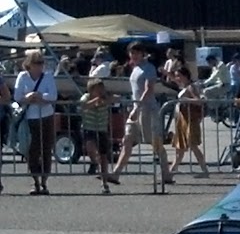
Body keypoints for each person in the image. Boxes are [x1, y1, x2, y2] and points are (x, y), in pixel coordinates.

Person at [109, 41, 174, 186]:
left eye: (137, 53)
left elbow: (148, 89)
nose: (134, 55)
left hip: (147, 109)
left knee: (155, 142)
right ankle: (115, 173)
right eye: (132, 53)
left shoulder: (148, 68)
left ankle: (167, 174)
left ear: (143, 53)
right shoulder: (135, 68)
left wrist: (137, 108)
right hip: (135, 108)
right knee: (127, 140)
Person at [14, 49, 57, 195]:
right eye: (36, 63)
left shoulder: (48, 76)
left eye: (41, 63)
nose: (39, 66)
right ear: (29, 64)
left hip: (46, 116)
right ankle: (35, 181)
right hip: (30, 118)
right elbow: (17, 96)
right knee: (31, 150)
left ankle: (44, 181)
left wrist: (40, 96)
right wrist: (29, 97)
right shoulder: (22, 76)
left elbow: (53, 95)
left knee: (46, 149)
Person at [168, 65, 209, 179]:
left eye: (179, 76)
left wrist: (186, 100)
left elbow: (199, 101)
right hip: (183, 119)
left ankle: (204, 170)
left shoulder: (191, 87)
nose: (177, 78)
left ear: (185, 76)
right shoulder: (184, 87)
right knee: (180, 147)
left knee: (193, 145)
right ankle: (171, 171)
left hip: (190, 119)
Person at [79, 77, 116, 193]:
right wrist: (95, 101)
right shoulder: (86, 97)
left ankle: (104, 182)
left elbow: (116, 98)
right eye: (97, 89)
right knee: (91, 149)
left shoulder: (105, 97)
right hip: (89, 129)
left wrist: (107, 100)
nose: (100, 91)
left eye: (102, 88)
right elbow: (83, 106)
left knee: (103, 156)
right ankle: (95, 162)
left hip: (102, 129)